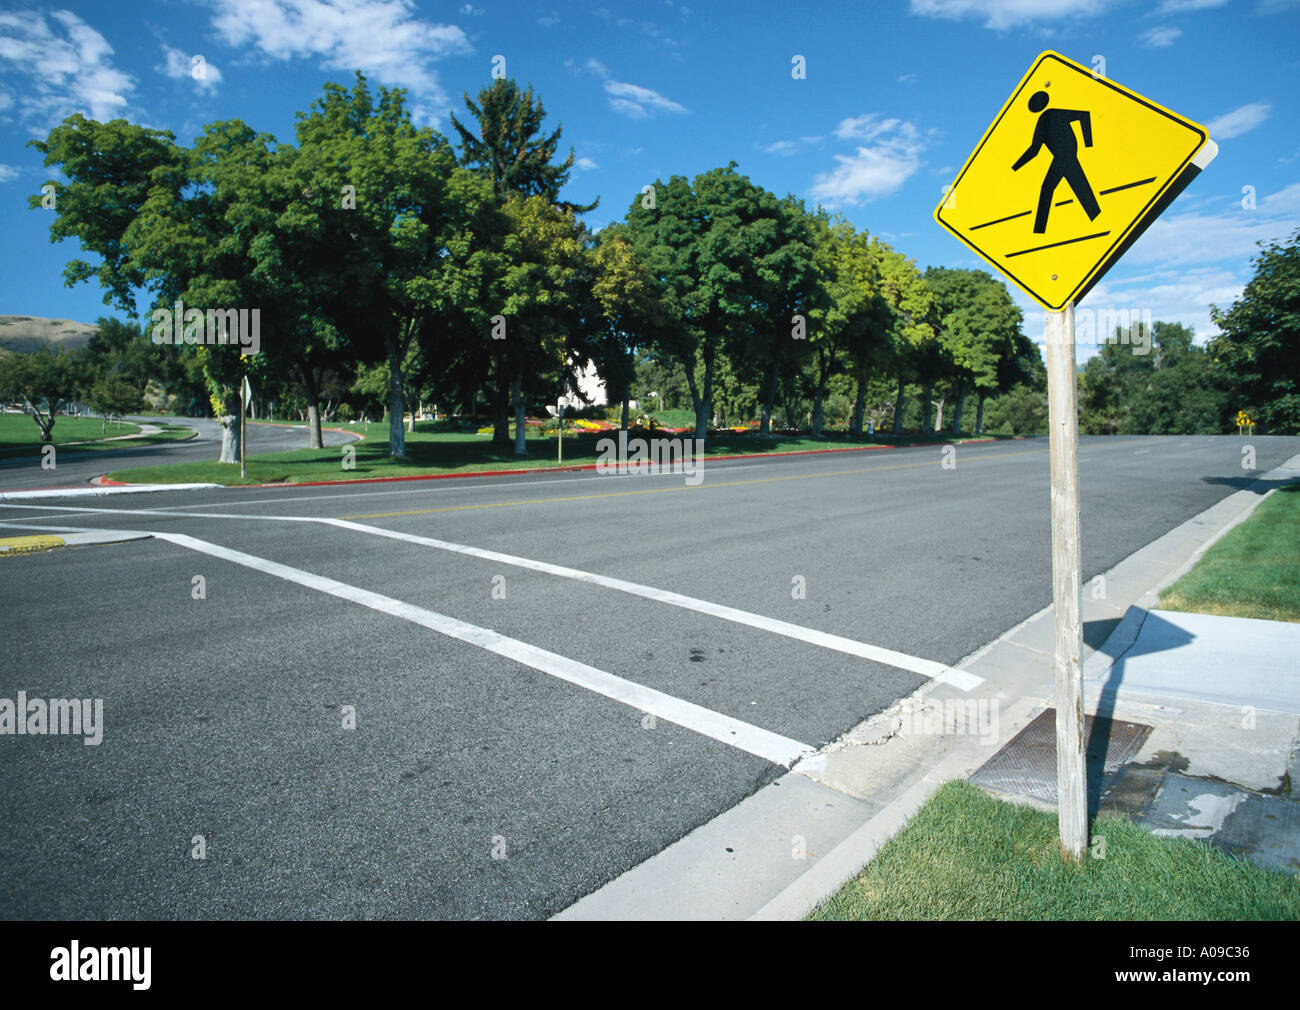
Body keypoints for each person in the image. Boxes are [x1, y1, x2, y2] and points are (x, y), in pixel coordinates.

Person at [1011, 91, 1101, 234]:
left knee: (1049, 188)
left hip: (1065, 156)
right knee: (1078, 187)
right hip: (1063, 157)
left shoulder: (1052, 114)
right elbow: (1034, 149)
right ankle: (1097, 216)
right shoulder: (1043, 120)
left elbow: (1084, 115)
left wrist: (1088, 143)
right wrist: (1014, 167)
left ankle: (1039, 230)